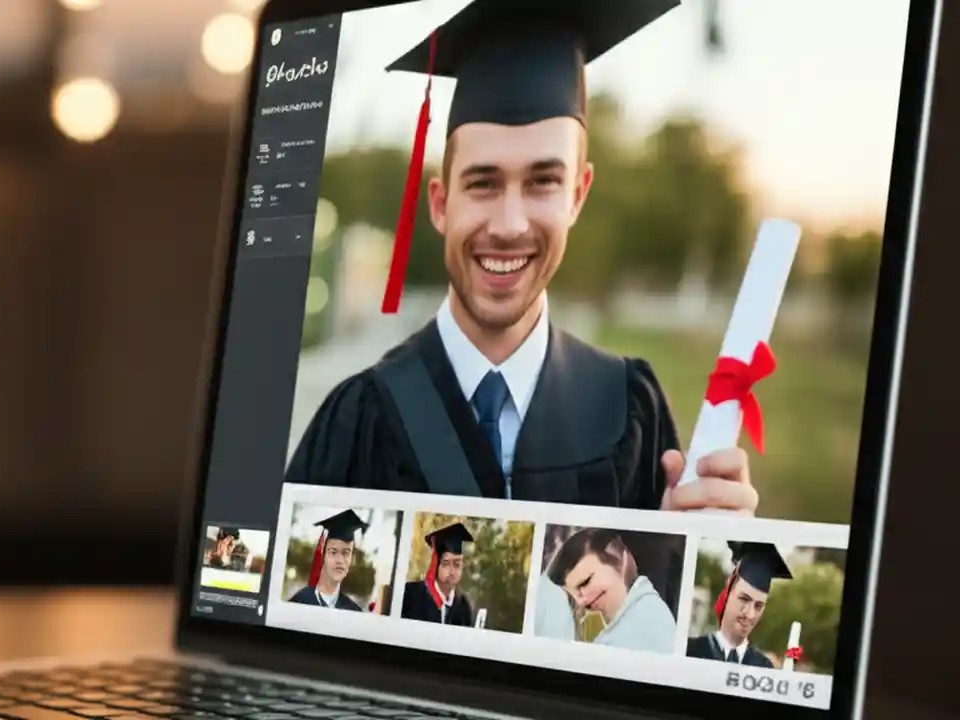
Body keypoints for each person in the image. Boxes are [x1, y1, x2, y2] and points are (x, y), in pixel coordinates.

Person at [285, 0, 757, 514]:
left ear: (577, 194)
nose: (510, 225)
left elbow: (660, 591)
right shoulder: (359, 418)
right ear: (441, 204)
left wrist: (699, 559)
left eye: (542, 182)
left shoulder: (629, 410)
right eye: (484, 183)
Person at [545, 528, 675, 653]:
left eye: (586, 582)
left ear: (620, 561)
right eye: (572, 596)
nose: (581, 602)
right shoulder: (653, 609)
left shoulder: (622, 639)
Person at [687, 542, 793, 667]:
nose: (750, 614)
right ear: (728, 593)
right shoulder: (689, 651)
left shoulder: (764, 667)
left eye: (758, 606)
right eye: (744, 599)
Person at [288, 509, 368, 611]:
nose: (340, 560)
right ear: (323, 556)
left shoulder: (354, 611)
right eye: (333, 552)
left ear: (352, 559)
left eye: (346, 553)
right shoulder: (299, 602)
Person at [401, 522, 475, 626]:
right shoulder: (411, 594)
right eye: (446, 563)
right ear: (436, 564)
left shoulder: (463, 606)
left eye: (457, 564)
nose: (452, 571)